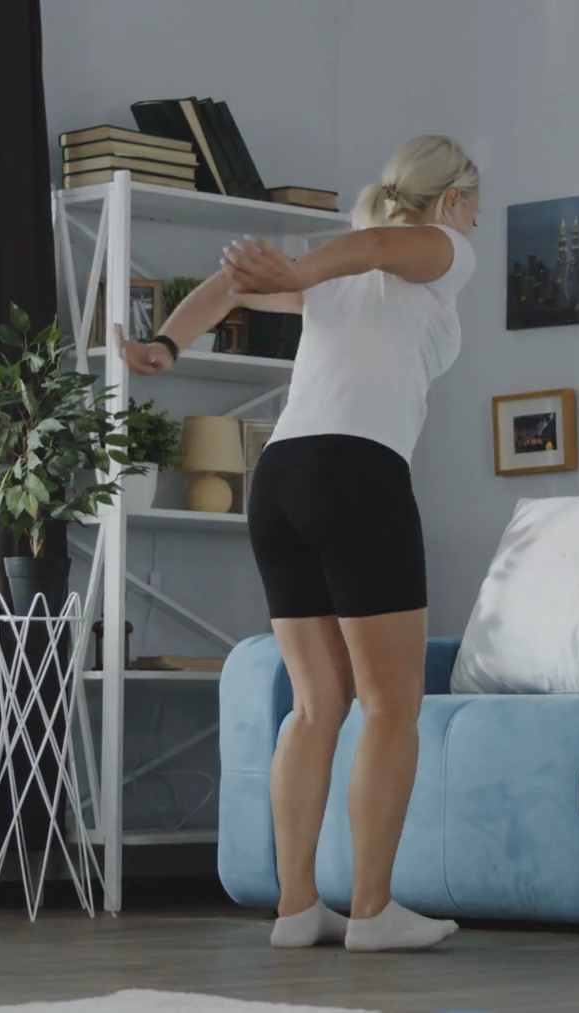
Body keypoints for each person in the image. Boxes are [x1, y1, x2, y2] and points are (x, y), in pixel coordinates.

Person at [118, 135, 479, 952]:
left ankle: (295, 908)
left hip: (278, 476)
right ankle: (374, 912)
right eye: (476, 206)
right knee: (392, 705)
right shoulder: (444, 249)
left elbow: (229, 285)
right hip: (356, 472)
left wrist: (167, 345)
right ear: (453, 199)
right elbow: (383, 243)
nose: (476, 223)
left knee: (318, 704)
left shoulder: (341, 276)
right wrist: (299, 274)